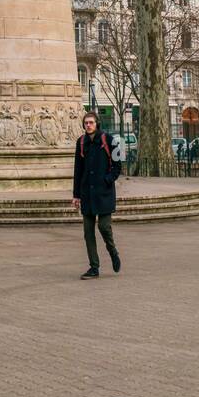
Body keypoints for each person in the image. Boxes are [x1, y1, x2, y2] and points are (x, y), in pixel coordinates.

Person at [72, 111, 123, 279]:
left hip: (104, 192)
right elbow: (77, 171)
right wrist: (76, 194)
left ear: (97, 123)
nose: (88, 125)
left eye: (91, 122)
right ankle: (94, 267)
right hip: (87, 192)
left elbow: (118, 165)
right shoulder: (81, 142)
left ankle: (113, 251)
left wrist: (108, 179)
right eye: (86, 123)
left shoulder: (109, 140)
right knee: (88, 232)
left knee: (104, 226)